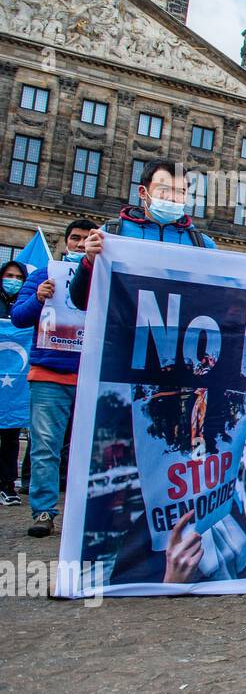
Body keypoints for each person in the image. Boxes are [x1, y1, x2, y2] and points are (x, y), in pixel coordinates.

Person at [9, 220, 97, 536]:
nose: (81, 243)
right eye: (75, 238)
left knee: (91, 451)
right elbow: (19, 316)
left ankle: (86, 513)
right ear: (65, 243)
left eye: (88, 239)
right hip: (49, 373)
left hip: (93, 377)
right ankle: (44, 513)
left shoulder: (105, 279)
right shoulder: (43, 275)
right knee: (46, 447)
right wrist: (38, 299)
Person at [71, 159, 216, 309]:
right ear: (142, 192)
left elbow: (214, 303)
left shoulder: (203, 245)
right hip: (122, 331)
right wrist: (89, 262)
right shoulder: (111, 234)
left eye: (181, 191)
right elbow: (81, 303)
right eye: (164, 189)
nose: (173, 197)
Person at [0, 260, 28, 505]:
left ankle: (7, 484)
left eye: (19, 277)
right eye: (9, 275)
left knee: (10, 434)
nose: (13, 281)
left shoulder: (26, 305)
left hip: (13, 386)